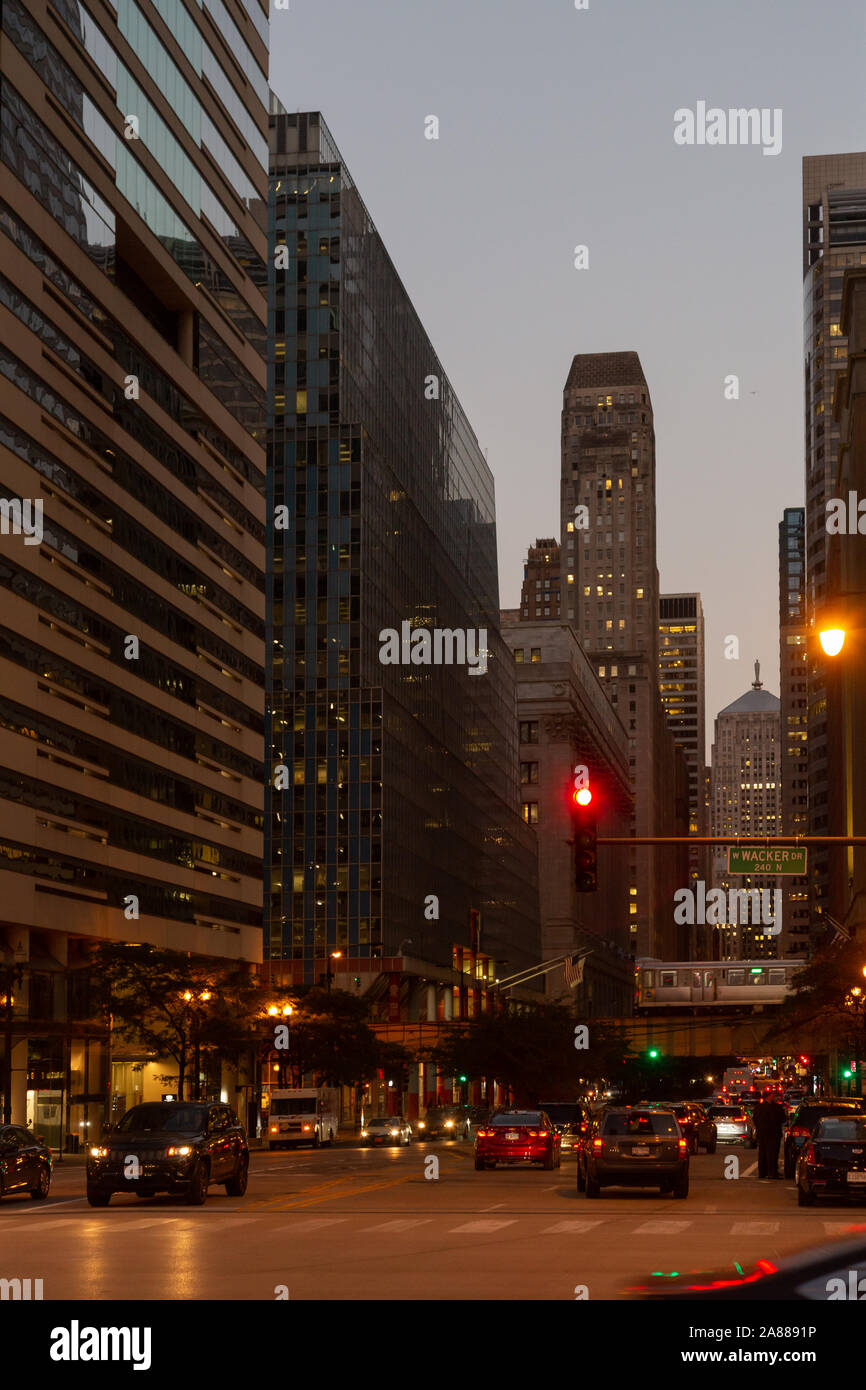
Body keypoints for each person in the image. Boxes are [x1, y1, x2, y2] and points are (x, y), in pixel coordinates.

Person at [753, 1095, 786, 1179]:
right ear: (769, 1097)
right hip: (773, 1133)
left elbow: (755, 1119)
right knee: (772, 1154)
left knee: (762, 1153)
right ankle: (772, 1172)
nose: (774, 1097)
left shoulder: (758, 1107)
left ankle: (762, 1172)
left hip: (762, 1133)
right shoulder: (776, 1107)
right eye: (773, 1095)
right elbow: (783, 1119)